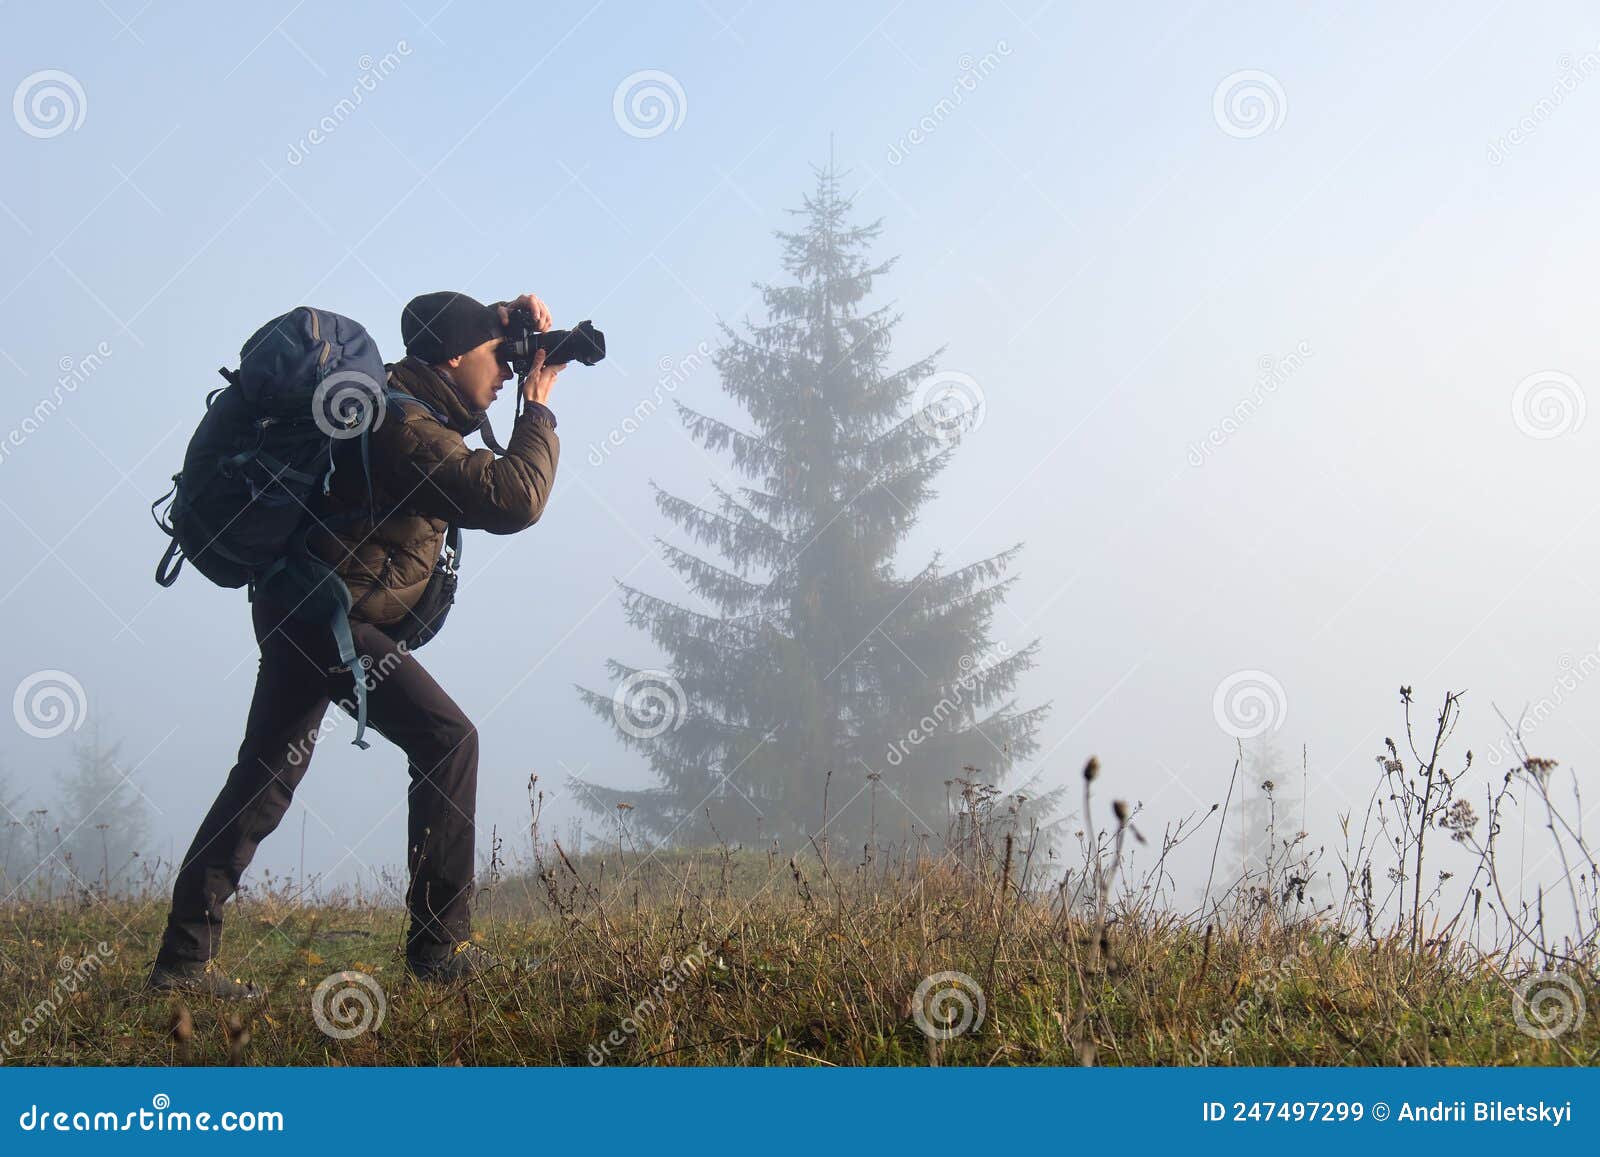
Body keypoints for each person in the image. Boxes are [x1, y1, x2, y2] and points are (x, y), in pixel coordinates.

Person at [147, 291, 563, 997]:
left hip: (300, 605)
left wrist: (503, 320)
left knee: (265, 775)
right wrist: (539, 409)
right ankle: (439, 948)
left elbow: (455, 348)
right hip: (324, 617)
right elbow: (513, 497)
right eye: (497, 357)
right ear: (455, 355)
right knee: (447, 739)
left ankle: (183, 962)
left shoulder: (409, 405)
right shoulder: (403, 424)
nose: (506, 372)